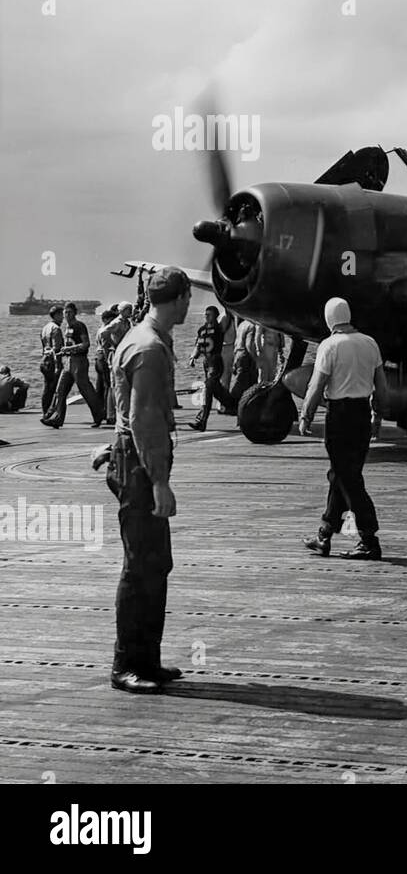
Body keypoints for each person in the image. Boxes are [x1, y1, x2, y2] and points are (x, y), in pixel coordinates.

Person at [106, 265, 191, 693]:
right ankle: (126, 665)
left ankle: (147, 660)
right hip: (141, 464)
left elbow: (121, 403)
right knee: (141, 566)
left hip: (132, 455)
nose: (190, 306)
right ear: (179, 300)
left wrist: (112, 445)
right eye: (188, 299)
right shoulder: (151, 348)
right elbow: (143, 419)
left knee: (155, 563)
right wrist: (159, 482)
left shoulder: (140, 338)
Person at [300, 298, 389, 560]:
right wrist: (378, 416)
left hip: (339, 416)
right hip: (362, 414)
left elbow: (316, 385)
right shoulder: (370, 343)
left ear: (329, 319)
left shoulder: (330, 346)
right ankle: (324, 535)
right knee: (340, 475)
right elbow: (381, 387)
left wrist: (306, 414)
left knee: (348, 479)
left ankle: (369, 538)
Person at [43, 303, 105, 429]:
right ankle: (57, 418)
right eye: (65, 312)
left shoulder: (79, 326)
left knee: (86, 390)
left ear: (75, 313)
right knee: (60, 390)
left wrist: (70, 348)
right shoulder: (67, 327)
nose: (67, 315)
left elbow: (86, 344)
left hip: (79, 361)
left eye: (69, 312)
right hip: (69, 361)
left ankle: (99, 415)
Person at [187, 305, 236, 431]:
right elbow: (198, 345)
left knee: (208, 388)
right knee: (217, 391)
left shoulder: (219, 329)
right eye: (206, 314)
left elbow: (228, 314)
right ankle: (235, 407)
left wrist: (225, 301)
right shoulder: (201, 330)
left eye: (209, 314)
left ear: (215, 316)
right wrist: (193, 357)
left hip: (215, 361)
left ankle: (202, 421)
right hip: (206, 362)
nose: (206, 316)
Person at [38, 305, 64, 418]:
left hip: (44, 360)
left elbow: (44, 346)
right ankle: (51, 413)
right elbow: (56, 349)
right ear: (57, 315)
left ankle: (45, 411)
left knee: (47, 388)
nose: (63, 318)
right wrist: (58, 366)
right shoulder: (56, 329)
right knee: (54, 388)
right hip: (52, 361)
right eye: (61, 315)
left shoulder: (45, 328)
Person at [228, 316, 259, 408]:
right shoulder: (251, 326)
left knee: (240, 379)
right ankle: (232, 403)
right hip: (245, 355)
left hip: (238, 353)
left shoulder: (241, 325)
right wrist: (256, 358)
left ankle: (240, 402)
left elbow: (236, 342)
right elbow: (249, 344)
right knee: (244, 380)